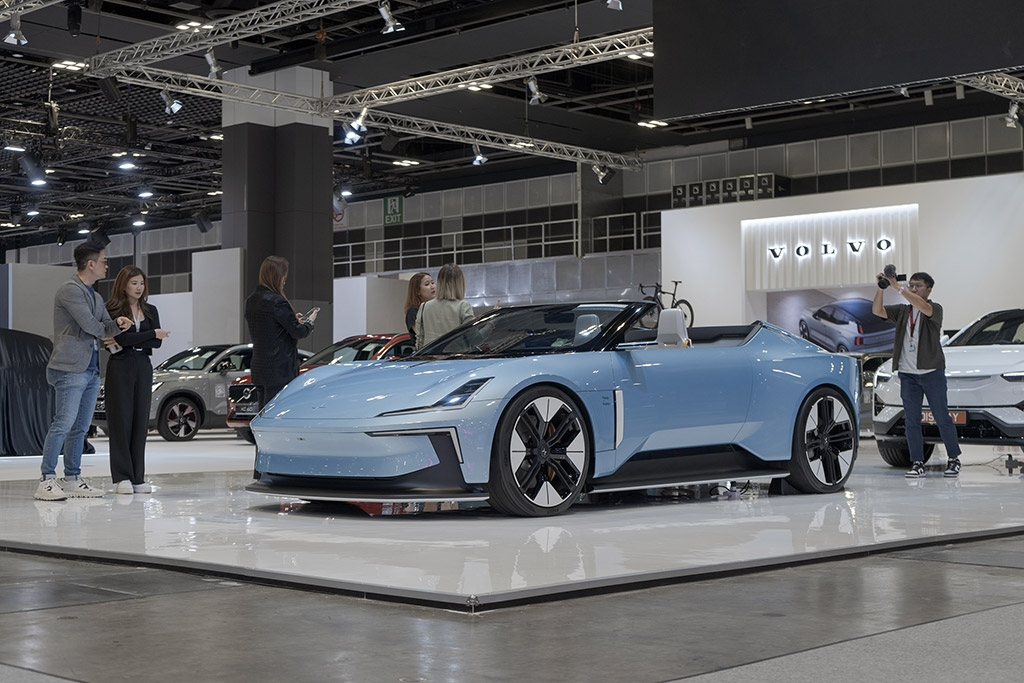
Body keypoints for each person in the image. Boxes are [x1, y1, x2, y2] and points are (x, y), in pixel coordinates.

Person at [35, 242, 132, 501]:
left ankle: (73, 478)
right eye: (103, 261)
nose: (106, 265)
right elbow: (93, 326)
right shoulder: (70, 290)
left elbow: (105, 326)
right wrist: (112, 327)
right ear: (90, 264)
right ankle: (46, 480)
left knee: (80, 428)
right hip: (68, 368)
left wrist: (117, 324)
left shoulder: (95, 296)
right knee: (63, 424)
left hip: (89, 369)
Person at [872, 271, 962, 478]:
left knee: (941, 417)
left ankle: (954, 458)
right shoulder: (903, 311)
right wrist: (881, 287)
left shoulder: (934, 308)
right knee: (912, 420)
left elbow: (923, 307)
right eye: (911, 285)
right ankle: (917, 462)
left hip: (931, 372)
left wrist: (899, 288)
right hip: (908, 374)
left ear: (929, 289)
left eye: (918, 286)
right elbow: (877, 311)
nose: (914, 288)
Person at [103, 266, 170, 495]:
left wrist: (142, 339)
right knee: (121, 420)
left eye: (141, 283)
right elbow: (122, 338)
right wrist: (151, 334)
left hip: (143, 364)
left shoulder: (150, 310)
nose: (139, 287)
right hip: (120, 364)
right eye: (134, 283)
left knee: (140, 420)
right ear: (123, 285)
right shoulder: (112, 309)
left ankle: (137, 477)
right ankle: (122, 476)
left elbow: (157, 344)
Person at [245, 256, 316, 408]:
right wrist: (309, 321)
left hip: (260, 368)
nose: (285, 280)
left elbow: (269, 327)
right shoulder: (277, 301)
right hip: (280, 370)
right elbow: (299, 332)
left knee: (264, 414)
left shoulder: (251, 301)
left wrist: (291, 319)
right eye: (284, 276)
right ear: (277, 276)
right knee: (277, 414)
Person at [415, 263, 474, 350]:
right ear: (460, 283)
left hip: (429, 359)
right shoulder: (463, 306)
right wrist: (490, 323)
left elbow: (419, 340)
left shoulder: (424, 307)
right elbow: (474, 338)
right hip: (456, 359)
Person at [404, 271, 435, 345]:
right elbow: (422, 335)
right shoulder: (413, 312)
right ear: (417, 291)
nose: (432, 287)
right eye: (427, 284)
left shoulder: (434, 308)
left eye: (432, 283)